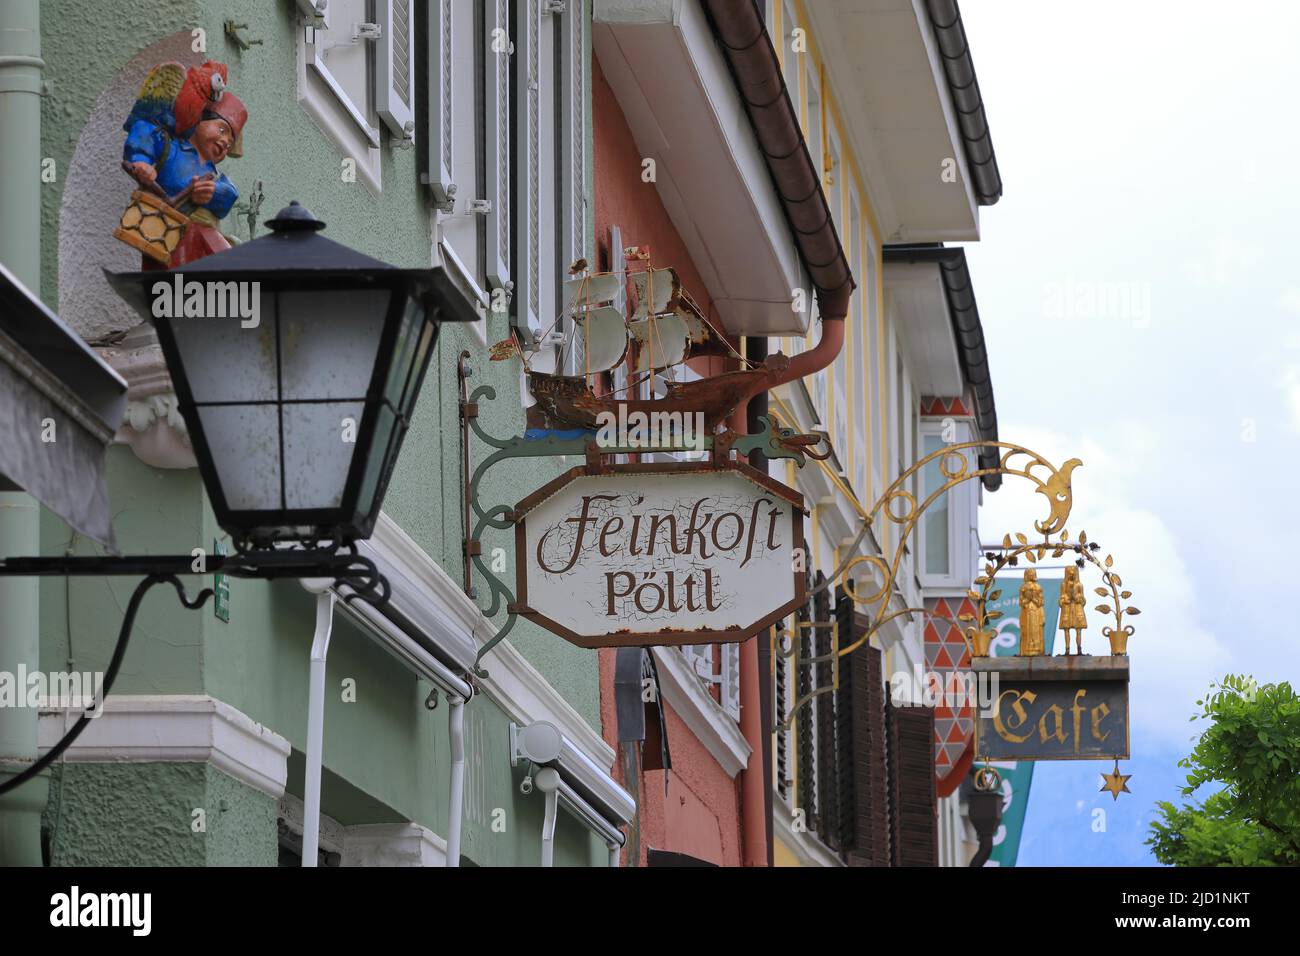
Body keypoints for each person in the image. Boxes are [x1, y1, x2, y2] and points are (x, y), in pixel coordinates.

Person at [120, 60, 247, 267]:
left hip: (197, 236)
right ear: (199, 121)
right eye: (222, 130)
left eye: (230, 142)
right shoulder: (171, 147)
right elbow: (144, 133)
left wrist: (212, 191)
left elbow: (230, 193)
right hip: (161, 230)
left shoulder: (212, 174)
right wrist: (141, 163)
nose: (225, 142)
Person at [1059, 564, 1088, 654]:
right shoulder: (1063, 585)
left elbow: (1083, 599)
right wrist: (1064, 599)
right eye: (1069, 573)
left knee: (1078, 630)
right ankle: (1067, 649)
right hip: (1067, 608)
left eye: (1073, 573)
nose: (1071, 575)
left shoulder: (1079, 585)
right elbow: (1061, 598)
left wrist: (1078, 598)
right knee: (1066, 630)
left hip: (1076, 608)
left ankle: (1079, 649)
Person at [1018, 568, 1045, 656]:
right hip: (1026, 611)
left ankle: (1037, 649)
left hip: (1036, 611)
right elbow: (1021, 602)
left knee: (1036, 629)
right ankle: (1025, 650)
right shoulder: (1023, 587)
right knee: (1026, 629)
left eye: (1032, 573)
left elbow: (1041, 602)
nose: (1031, 575)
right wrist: (1027, 599)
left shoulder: (1038, 587)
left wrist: (1033, 598)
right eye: (1029, 573)